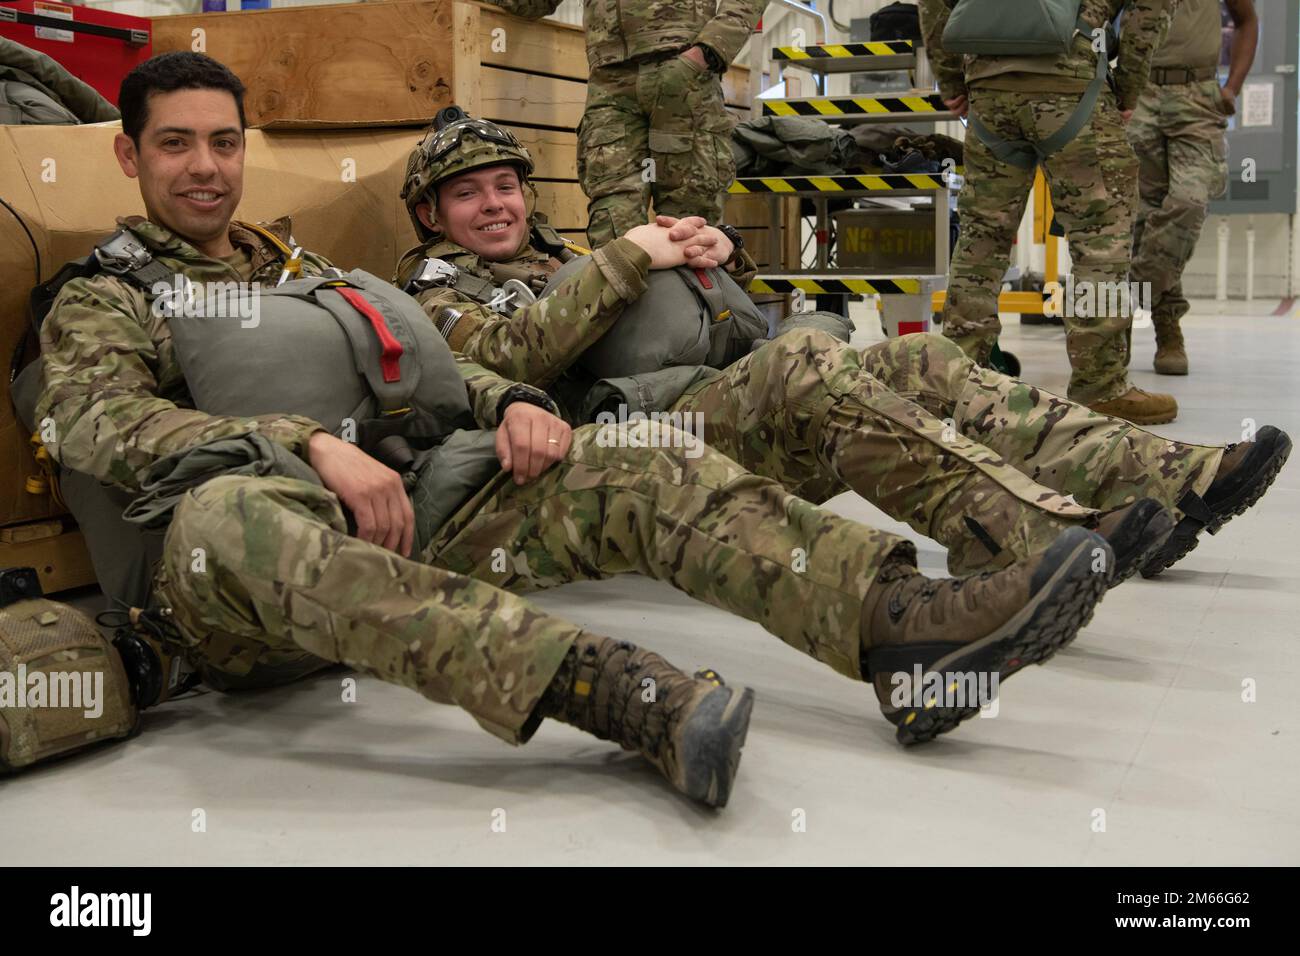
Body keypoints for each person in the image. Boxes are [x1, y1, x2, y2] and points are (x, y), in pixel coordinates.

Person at [33, 54, 1113, 808]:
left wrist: (509, 404)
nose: (205, 167)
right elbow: (98, 416)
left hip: (405, 514)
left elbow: (439, 362)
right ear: (130, 158)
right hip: (226, 581)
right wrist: (304, 441)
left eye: (223, 141)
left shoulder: (297, 270)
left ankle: (900, 626)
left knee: (632, 461)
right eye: (175, 145)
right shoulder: (108, 294)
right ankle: (620, 692)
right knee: (237, 511)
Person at [395, 112, 1292, 587]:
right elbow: (512, 359)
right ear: (433, 215)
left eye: (506, 186)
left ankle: (1157, 478)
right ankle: (1017, 531)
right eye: (468, 195)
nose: (496, 205)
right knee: (802, 365)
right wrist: (633, 255)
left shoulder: (568, 255)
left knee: (917, 361)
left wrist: (718, 258)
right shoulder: (428, 293)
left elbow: (707, 320)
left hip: (709, 405)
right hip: (633, 453)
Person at [919, 0, 1181, 426]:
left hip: (990, 86)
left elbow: (932, 4)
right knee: (1101, 240)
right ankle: (1101, 388)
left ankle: (959, 383)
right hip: (1072, 83)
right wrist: (1128, 87)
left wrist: (952, 79)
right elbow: (1149, 10)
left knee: (981, 238)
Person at [484, 0, 763, 247]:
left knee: (690, 222)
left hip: (684, 76)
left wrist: (708, 50)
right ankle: (625, 305)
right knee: (612, 219)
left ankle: (691, 306)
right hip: (609, 80)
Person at [1129, 0, 1258, 375]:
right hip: (1141, 93)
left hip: (1199, 95)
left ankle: (1131, 297)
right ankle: (1167, 330)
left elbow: (1247, 20)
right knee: (1144, 217)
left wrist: (1231, 87)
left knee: (1189, 201)